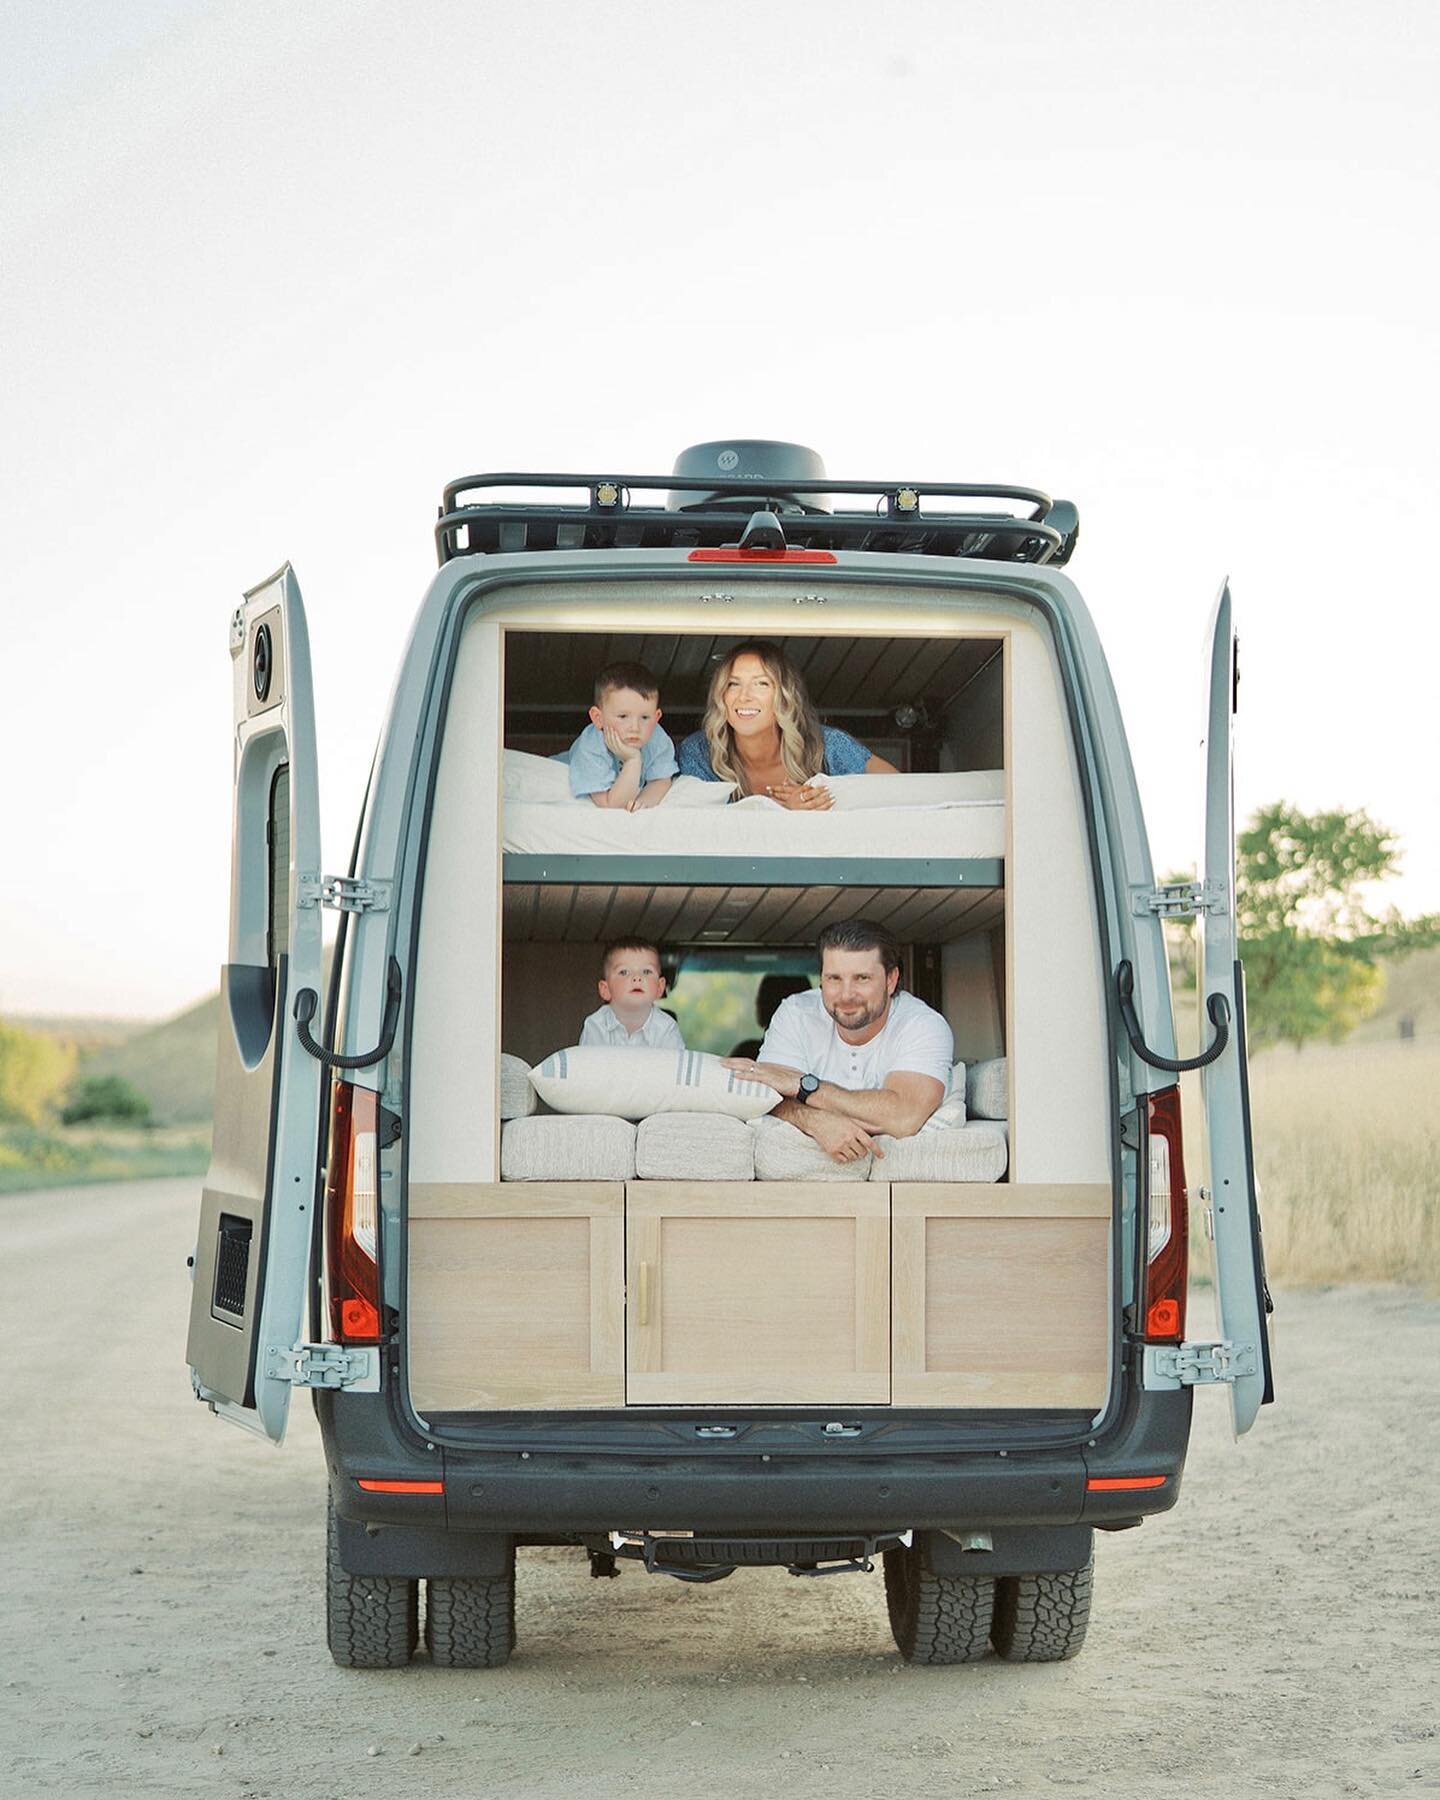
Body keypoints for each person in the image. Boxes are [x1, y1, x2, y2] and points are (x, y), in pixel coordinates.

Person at [723, 919, 950, 1163]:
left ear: (891, 980)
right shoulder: (796, 1012)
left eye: (862, 978)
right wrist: (815, 1121)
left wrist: (803, 1086)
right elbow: (763, 1096)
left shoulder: (923, 1025)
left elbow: (903, 1117)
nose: (846, 995)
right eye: (834, 978)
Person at [676, 640, 897, 810]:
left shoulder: (826, 744)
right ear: (721, 695)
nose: (744, 696)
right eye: (734, 684)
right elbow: (694, 826)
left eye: (761, 684)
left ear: (784, 697)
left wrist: (823, 803)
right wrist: (780, 811)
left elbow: (898, 789)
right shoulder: (699, 751)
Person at [564, 661, 677, 810]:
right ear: (598, 718)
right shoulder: (591, 746)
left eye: (645, 717)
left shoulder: (657, 737)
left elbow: (661, 779)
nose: (635, 728)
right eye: (623, 716)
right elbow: (611, 804)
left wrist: (642, 802)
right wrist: (633, 760)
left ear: (656, 718)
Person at [579, 940, 684, 1049]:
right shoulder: (595, 1025)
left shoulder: (667, 1028)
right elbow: (588, 1064)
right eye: (624, 972)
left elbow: (674, 1065)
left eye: (647, 972)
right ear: (606, 990)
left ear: (659, 987)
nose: (637, 977)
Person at [728, 971, 812, 1061]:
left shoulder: (746, 1054)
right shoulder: (817, 1056)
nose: (756, 1002)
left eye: (760, 997)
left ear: (763, 1004)